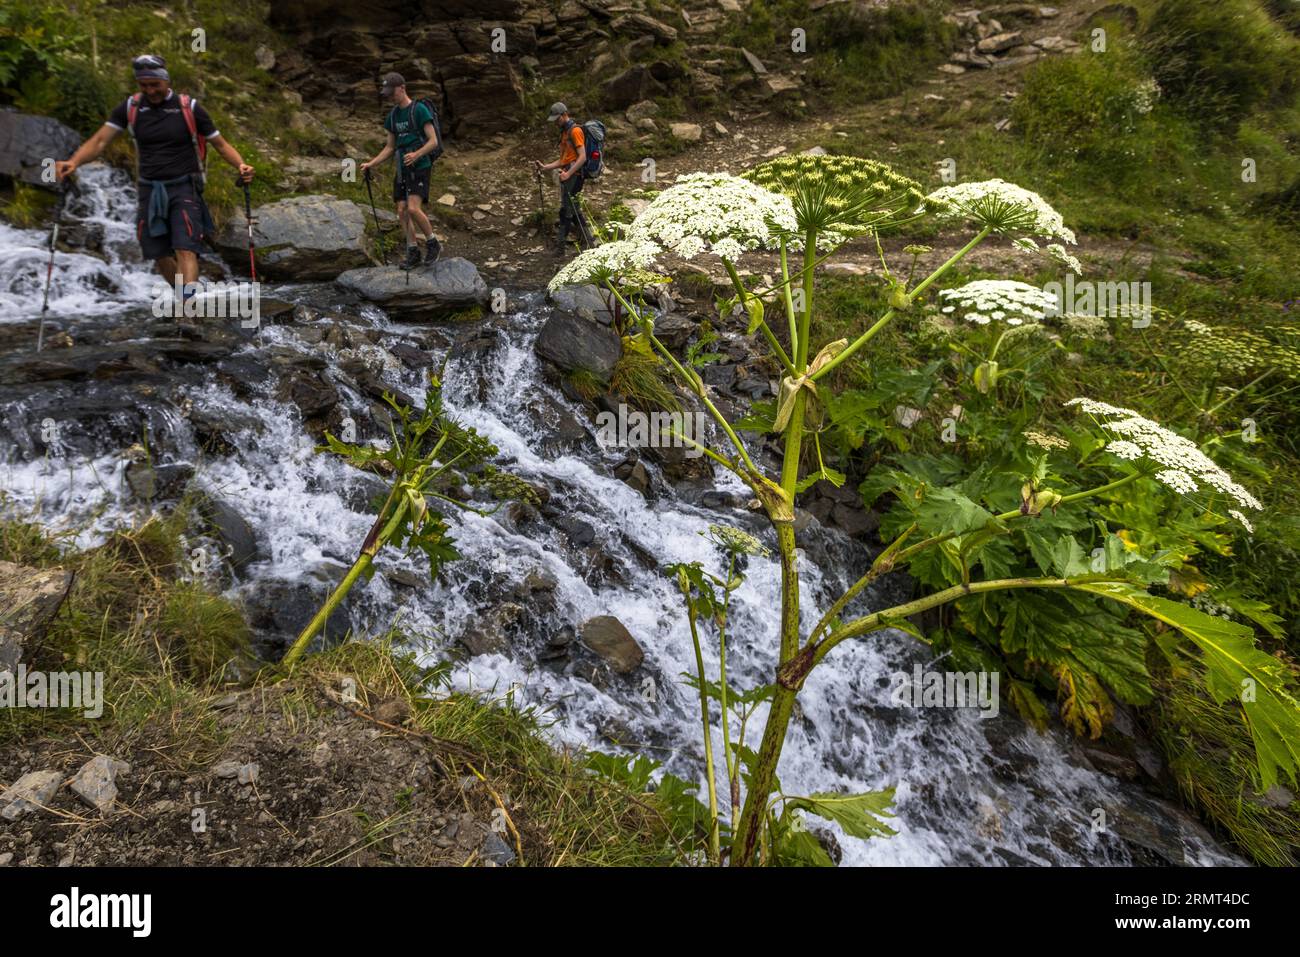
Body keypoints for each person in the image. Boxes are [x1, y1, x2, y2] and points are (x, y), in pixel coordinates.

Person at [55, 54, 253, 301]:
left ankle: (188, 309)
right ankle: (184, 296)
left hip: (185, 187)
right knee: (158, 253)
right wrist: (73, 162)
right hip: (149, 190)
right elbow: (100, 140)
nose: (150, 90)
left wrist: (241, 164)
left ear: (166, 82)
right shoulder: (131, 108)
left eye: (155, 85)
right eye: (144, 85)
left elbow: (220, 144)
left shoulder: (188, 108)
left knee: (185, 248)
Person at [359, 72, 441, 269]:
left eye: (392, 92)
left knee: (413, 208)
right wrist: (371, 163)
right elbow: (390, 147)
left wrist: (417, 154)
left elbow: (433, 141)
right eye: (387, 94)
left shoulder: (419, 110)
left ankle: (432, 243)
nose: (390, 97)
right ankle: (412, 251)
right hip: (402, 169)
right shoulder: (393, 116)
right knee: (402, 210)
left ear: (402, 88)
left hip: (420, 166)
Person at [534, 102, 593, 256]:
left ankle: (560, 248)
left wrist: (568, 173)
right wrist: (545, 167)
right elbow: (563, 160)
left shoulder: (575, 131)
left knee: (566, 211)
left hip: (575, 176)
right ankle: (589, 243)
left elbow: (583, 157)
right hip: (568, 175)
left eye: (557, 118)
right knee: (574, 209)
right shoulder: (564, 133)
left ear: (564, 114)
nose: (555, 122)